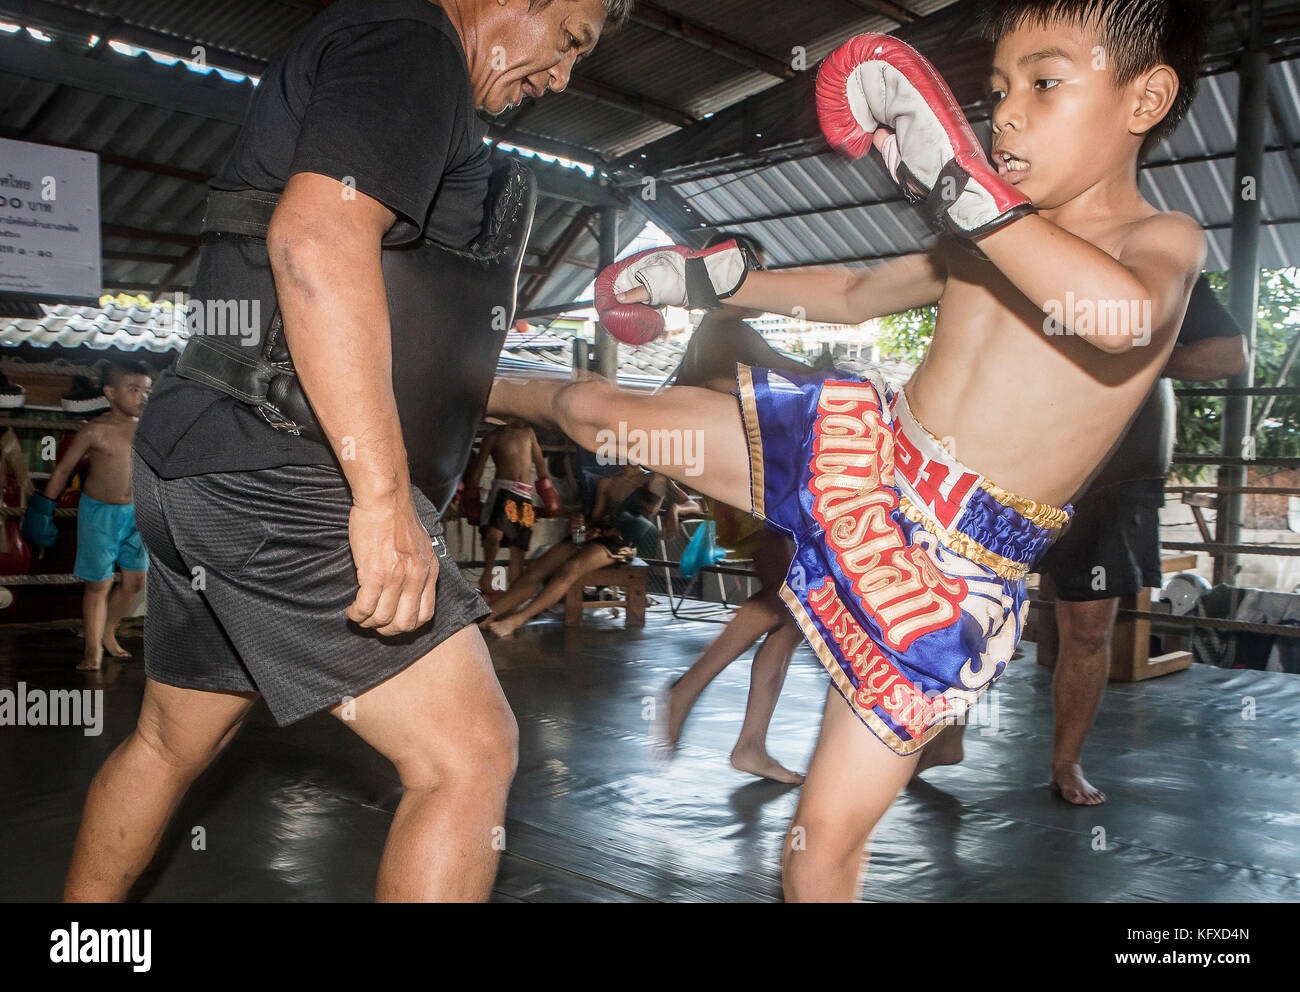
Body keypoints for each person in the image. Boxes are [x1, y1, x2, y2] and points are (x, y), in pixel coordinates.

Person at [489, 0, 1211, 900]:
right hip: (863, 457)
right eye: (994, 90)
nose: (1007, 112)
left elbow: (1121, 320)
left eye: (1044, 83)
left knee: (820, 844)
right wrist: (714, 279)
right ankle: (439, 369)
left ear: (1144, 100)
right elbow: (860, 289)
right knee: (596, 406)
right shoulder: (981, 234)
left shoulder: (1158, 241)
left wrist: (967, 189)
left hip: (944, 570)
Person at [64, 0, 628, 904]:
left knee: (171, 743)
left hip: (200, 453)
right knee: (468, 757)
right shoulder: (414, 46)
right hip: (281, 471)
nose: (562, 77)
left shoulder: (381, 43)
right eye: (569, 42)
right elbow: (315, 241)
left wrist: (571, 396)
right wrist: (379, 497)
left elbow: (399, 321)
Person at [1027, 274, 1247, 804]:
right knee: (965, 608)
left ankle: (1066, 763)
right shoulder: (1017, 251)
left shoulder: (1158, 264)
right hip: (1016, 456)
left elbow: (1228, 356)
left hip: (1118, 472)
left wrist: (1131, 356)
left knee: (1088, 628)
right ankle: (943, 738)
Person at [657, 232, 818, 784]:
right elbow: (759, 379)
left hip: (748, 484)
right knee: (786, 601)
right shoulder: (729, 333)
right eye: (754, 272)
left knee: (791, 614)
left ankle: (750, 745)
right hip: (755, 487)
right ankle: (687, 690)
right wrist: (815, 374)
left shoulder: (717, 333)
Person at [23, 362, 151, 671]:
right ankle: (92, 650)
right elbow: (65, 469)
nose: (142, 397)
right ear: (110, 392)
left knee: (135, 582)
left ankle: (108, 631)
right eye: (133, 390)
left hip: (137, 513)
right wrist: (44, 508)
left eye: (146, 390)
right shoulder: (95, 430)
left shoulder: (150, 425)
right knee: (98, 584)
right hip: (100, 515)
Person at [485, 463, 694, 638]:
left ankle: (517, 620)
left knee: (569, 569)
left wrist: (675, 509)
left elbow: (693, 504)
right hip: (595, 535)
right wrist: (580, 524)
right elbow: (596, 517)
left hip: (621, 543)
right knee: (535, 569)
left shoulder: (658, 479)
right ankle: (489, 616)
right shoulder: (607, 483)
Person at [461, 417, 559, 598]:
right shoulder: (492, 437)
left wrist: (548, 494)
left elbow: (540, 464)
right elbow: (478, 469)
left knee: (518, 549)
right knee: (493, 536)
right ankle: (487, 581)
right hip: (504, 491)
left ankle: (512, 602)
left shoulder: (528, 432)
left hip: (525, 495)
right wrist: (471, 496)